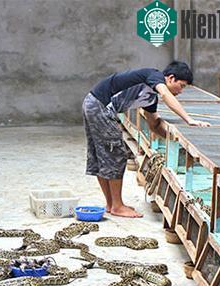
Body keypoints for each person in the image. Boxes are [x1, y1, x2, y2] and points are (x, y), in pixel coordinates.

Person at [82, 61, 210, 218]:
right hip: (100, 106)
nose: (181, 91)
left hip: (94, 104)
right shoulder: (153, 75)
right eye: (181, 86)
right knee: (116, 155)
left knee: (103, 155)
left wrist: (177, 141)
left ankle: (111, 204)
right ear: (170, 78)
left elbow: (154, 125)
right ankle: (117, 206)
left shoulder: (150, 99)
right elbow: (165, 94)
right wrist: (188, 119)